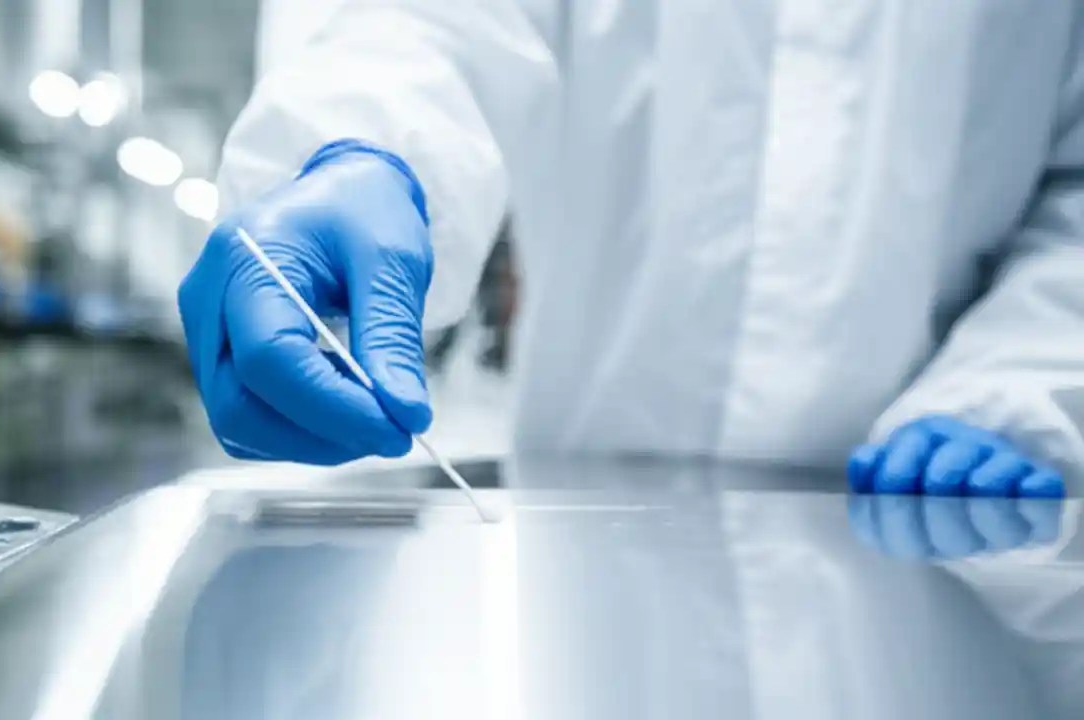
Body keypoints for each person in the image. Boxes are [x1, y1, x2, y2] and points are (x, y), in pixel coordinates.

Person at [179, 1, 1084, 497]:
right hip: (591, 537)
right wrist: (358, 149)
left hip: (946, 519)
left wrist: (1011, 385)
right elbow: (431, 25)